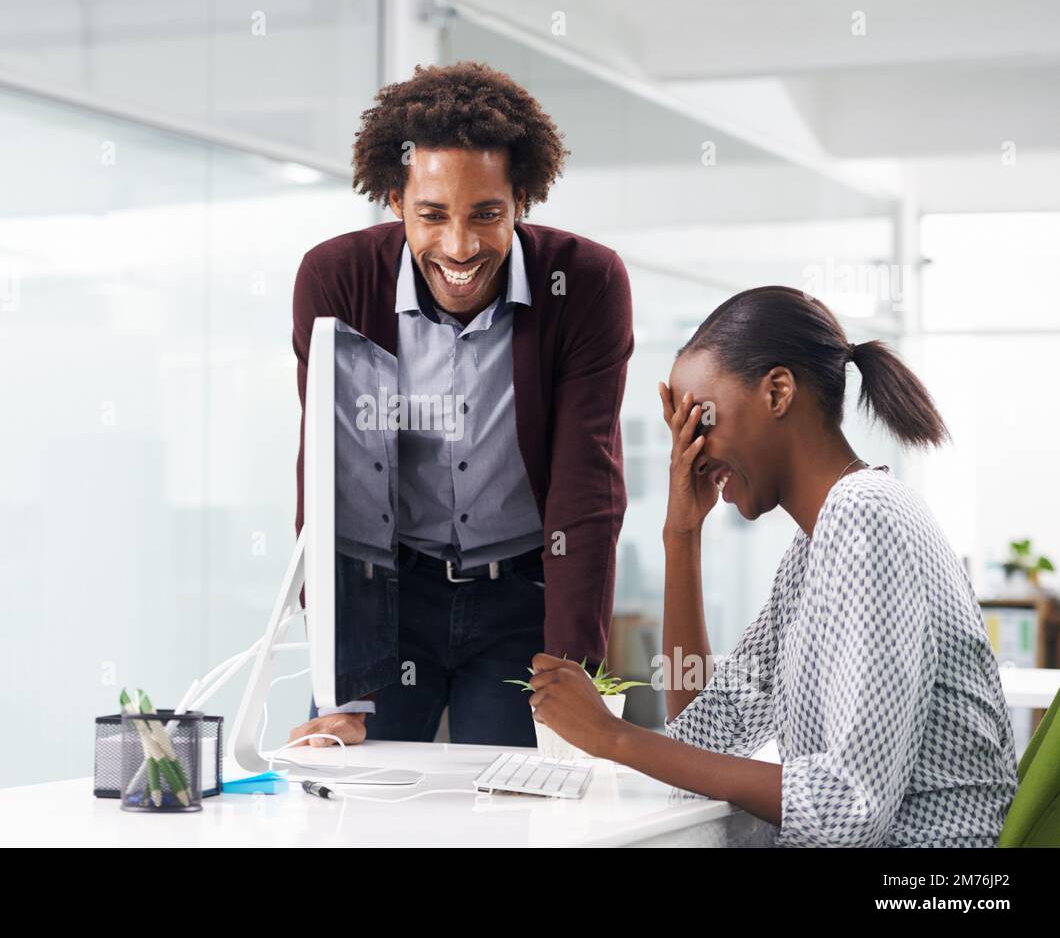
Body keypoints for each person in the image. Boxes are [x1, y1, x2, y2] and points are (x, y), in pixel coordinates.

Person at [527, 286, 1018, 847]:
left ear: (778, 392)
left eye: (701, 419)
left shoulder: (867, 516)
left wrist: (613, 737)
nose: (693, 449)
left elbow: (848, 812)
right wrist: (682, 535)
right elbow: (703, 739)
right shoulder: (813, 552)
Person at [288, 62, 634, 748]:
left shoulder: (587, 284)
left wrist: (575, 669)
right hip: (387, 597)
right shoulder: (336, 279)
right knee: (358, 803)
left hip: (522, 604)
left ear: (522, 200)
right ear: (394, 198)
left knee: (521, 809)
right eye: (432, 214)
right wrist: (341, 681)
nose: (460, 246)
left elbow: (586, 490)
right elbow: (331, 484)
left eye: (487, 214)